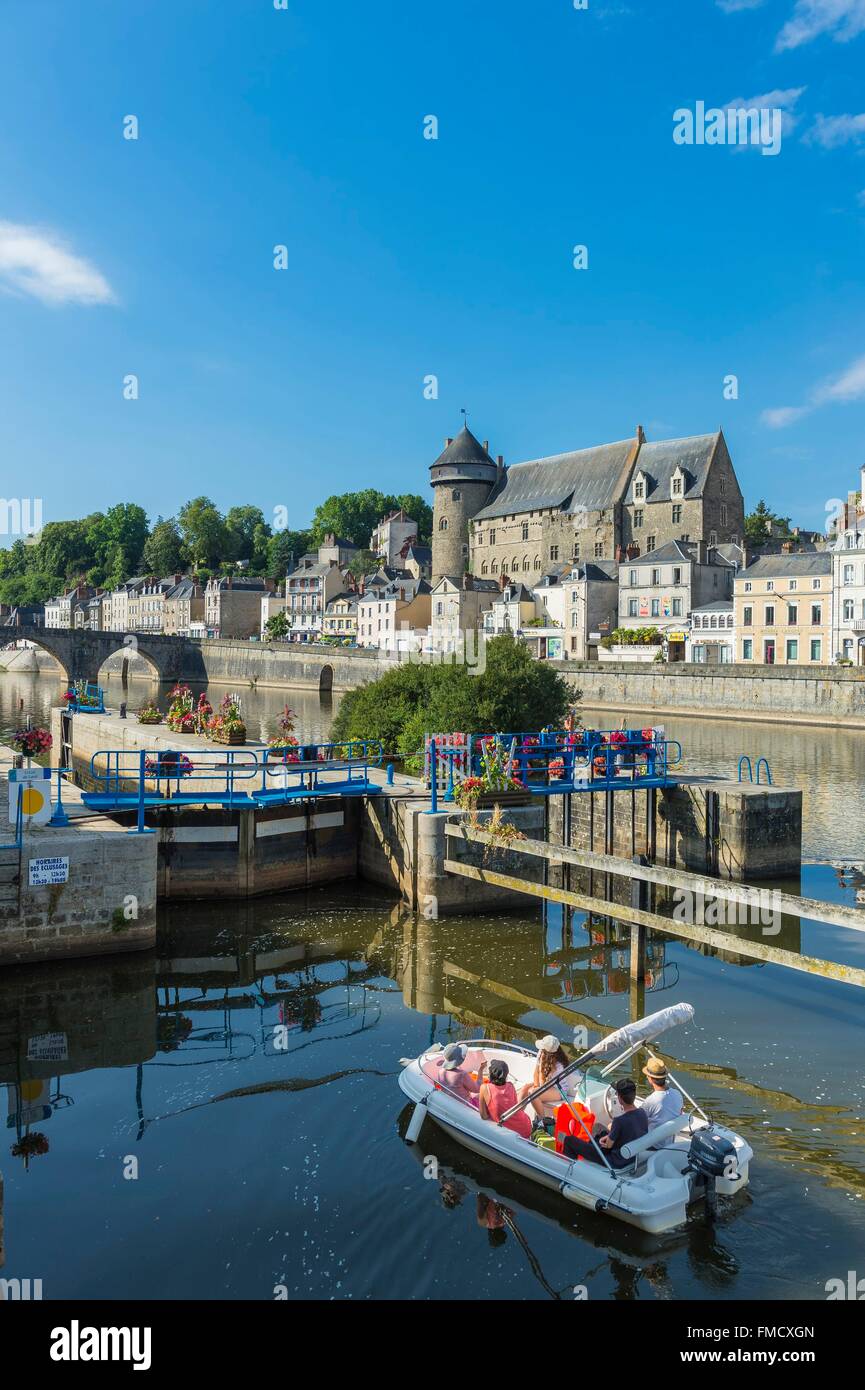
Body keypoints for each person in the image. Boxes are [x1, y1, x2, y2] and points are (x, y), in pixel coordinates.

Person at [562, 1077, 647, 1167]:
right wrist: (607, 1137)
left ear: (620, 1099)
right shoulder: (642, 1113)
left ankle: (569, 1169)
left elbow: (608, 1146)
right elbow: (630, 1132)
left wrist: (604, 1141)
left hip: (613, 1160)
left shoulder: (619, 1121)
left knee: (569, 1140)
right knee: (599, 1130)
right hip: (631, 1157)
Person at [519, 1035, 570, 1127]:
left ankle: (542, 1122)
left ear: (547, 1053)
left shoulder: (558, 1066)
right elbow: (536, 1072)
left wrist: (537, 1088)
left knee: (532, 1093)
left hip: (558, 1089)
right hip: (546, 1085)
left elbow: (545, 1085)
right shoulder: (542, 1052)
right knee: (525, 1088)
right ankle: (517, 1116)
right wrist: (535, 1085)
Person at [478, 1058, 532, 1139]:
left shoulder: (484, 1088)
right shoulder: (511, 1086)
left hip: (512, 1134)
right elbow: (513, 1106)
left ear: (490, 1074)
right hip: (526, 1127)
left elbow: (484, 1116)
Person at [640, 1056, 683, 1136]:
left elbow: (638, 1120)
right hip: (670, 1141)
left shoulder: (651, 1100)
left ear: (651, 1079)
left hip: (653, 1144)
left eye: (647, 1075)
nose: (646, 1076)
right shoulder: (677, 1094)